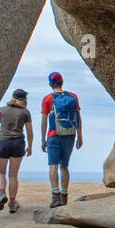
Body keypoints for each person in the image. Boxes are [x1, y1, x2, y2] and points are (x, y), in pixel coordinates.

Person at [42, 72, 83, 208]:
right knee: (64, 166)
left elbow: (44, 121)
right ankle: (64, 196)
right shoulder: (73, 97)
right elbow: (78, 117)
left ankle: (55, 196)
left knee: (53, 165)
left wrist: (43, 139)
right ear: (62, 82)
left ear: (50, 83)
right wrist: (80, 136)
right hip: (70, 134)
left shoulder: (48, 99)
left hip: (53, 134)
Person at [0, 88, 32, 213]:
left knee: (0, 172)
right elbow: (30, 132)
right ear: (24, 99)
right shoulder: (25, 112)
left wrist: (0, 135)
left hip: (2, 142)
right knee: (13, 175)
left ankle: (2, 194)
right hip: (18, 143)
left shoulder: (2, 110)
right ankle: (12, 203)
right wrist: (29, 146)